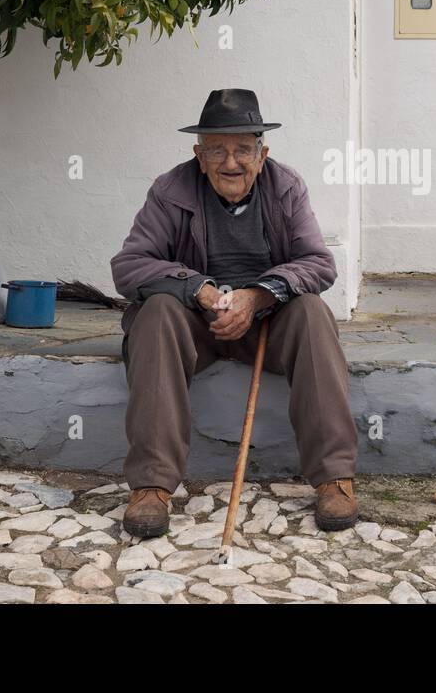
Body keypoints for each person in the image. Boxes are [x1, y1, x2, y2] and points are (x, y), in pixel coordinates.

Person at [110, 88, 358, 538]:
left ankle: (333, 477)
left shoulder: (286, 187)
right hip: (195, 324)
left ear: (262, 155)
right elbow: (129, 266)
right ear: (198, 155)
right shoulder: (171, 190)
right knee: (157, 311)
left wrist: (259, 295)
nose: (231, 162)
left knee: (312, 312)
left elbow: (318, 265)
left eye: (243, 149)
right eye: (217, 149)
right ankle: (151, 486)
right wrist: (199, 289)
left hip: (267, 323)